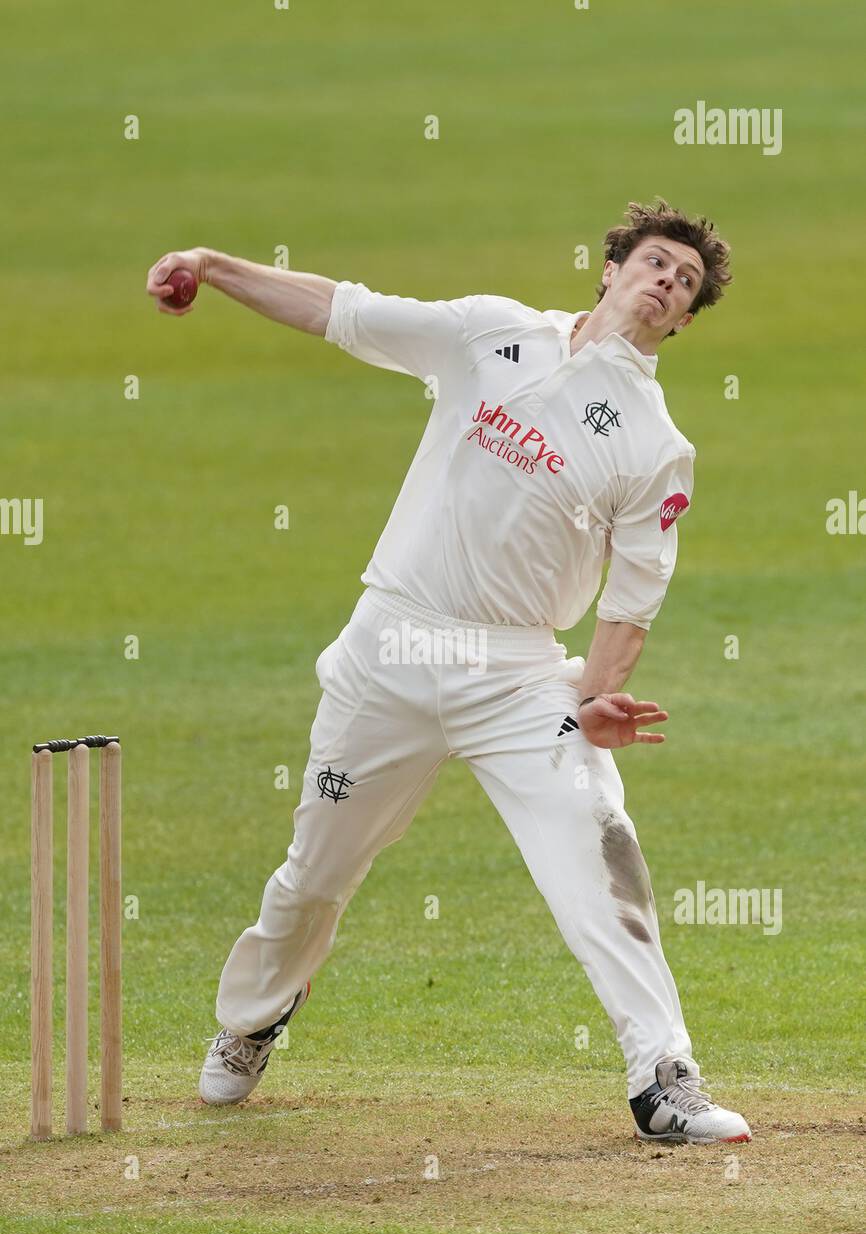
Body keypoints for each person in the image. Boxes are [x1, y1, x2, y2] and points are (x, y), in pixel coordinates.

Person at [146, 197, 751, 1145]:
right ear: (611, 269)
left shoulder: (654, 443)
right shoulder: (489, 334)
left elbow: (632, 602)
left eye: (684, 283)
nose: (666, 281)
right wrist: (215, 265)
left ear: (682, 321)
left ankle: (663, 1077)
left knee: (602, 849)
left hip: (515, 678)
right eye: (655, 262)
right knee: (314, 872)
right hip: (388, 649)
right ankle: (252, 1021)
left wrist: (593, 702)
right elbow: (342, 308)